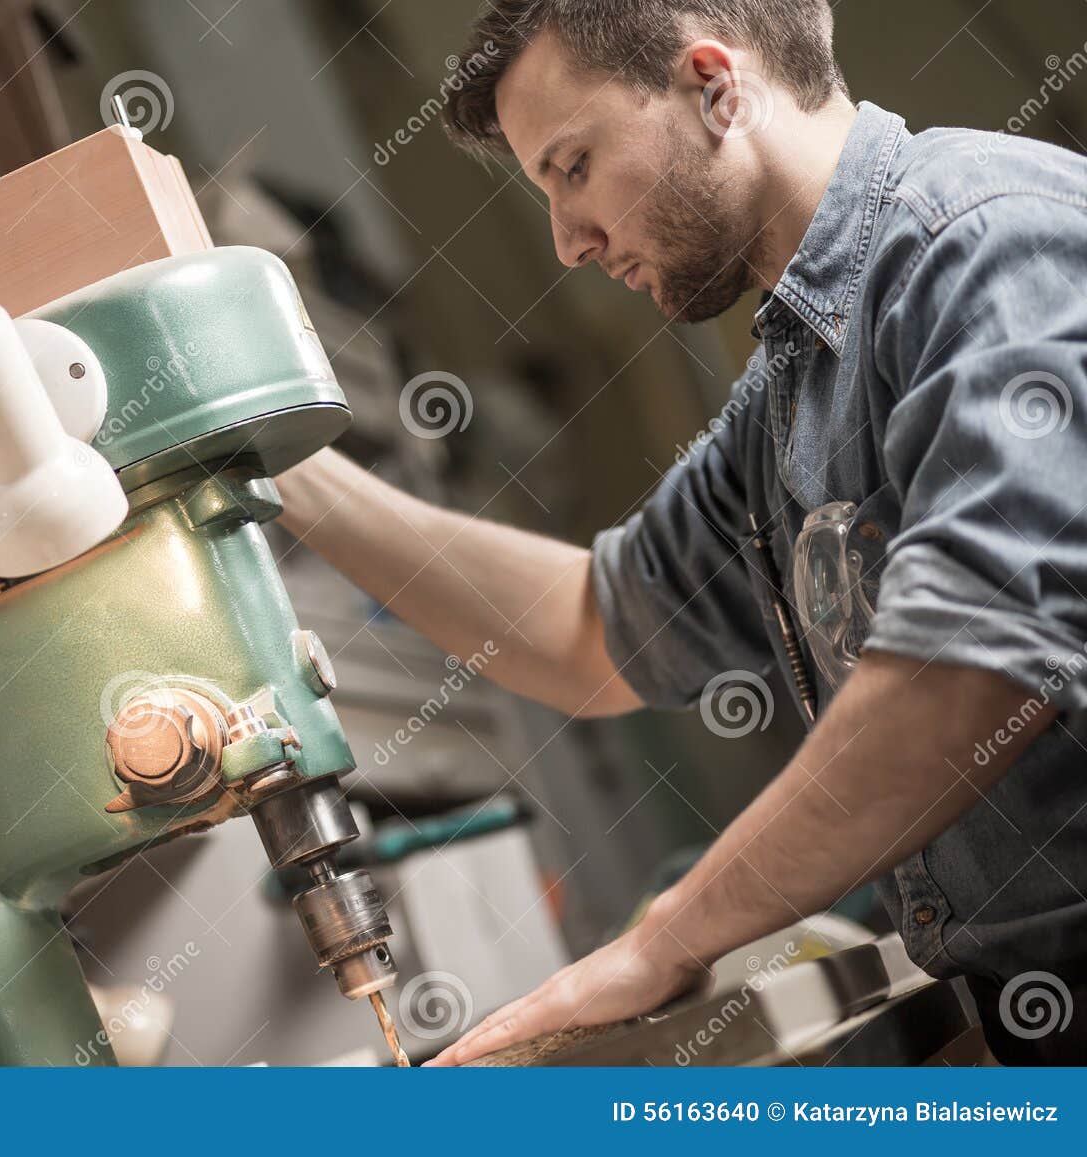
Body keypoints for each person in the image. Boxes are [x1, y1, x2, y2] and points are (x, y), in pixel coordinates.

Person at [276, 0, 1087, 1065]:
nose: (567, 243)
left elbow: (970, 665)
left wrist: (666, 938)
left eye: (572, 166)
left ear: (715, 85)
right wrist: (280, 466)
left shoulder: (979, 239)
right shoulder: (786, 394)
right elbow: (588, 628)